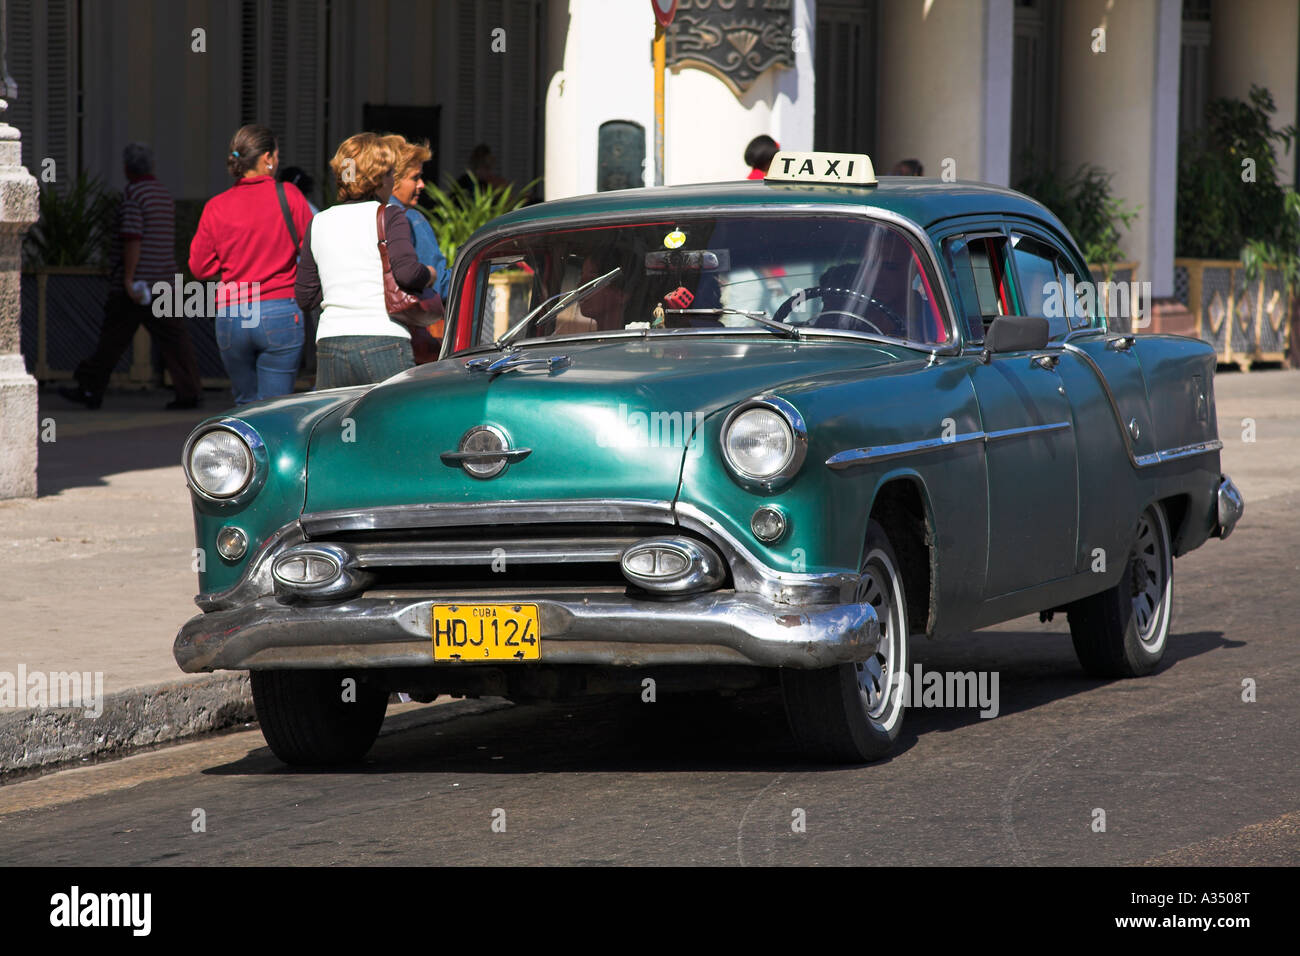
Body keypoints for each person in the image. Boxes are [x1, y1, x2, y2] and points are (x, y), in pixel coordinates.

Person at [59, 143, 203, 411]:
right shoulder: (163, 195)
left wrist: (127, 278)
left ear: (127, 169)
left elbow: (132, 239)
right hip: (165, 281)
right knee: (175, 339)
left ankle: (90, 387)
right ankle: (190, 391)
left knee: (113, 337)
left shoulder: (133, 195)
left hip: (138, 285)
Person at [295, 132, 436, 388]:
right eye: (390, 173)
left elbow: (305, 297)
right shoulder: (389, 215)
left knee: (338, 424)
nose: (392, 180)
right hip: (384, 339)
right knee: (392, 424)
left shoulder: (318, 222)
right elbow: (407, 273)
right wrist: (429, 273)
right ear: (377, 178)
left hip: (330, 343)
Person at [189, 124, 314, 405]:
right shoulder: (290, 196)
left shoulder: (216, 206)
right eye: (277, 155)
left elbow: (200, 268)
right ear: (267, 158)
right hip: (279, 310)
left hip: (233, 314)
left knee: (245, 405)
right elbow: (313, 249)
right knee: (275, 408)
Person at [384, 135, 451, 362]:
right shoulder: (410, 218)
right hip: (408, 337)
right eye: (415, 178)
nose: (422, 184)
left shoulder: (365, 213)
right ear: (393, 179)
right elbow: (441, 286)